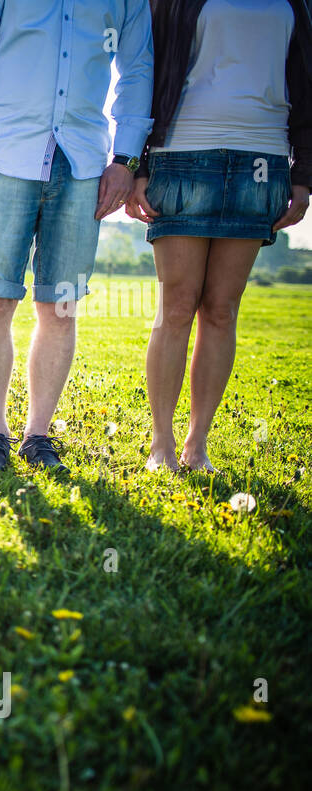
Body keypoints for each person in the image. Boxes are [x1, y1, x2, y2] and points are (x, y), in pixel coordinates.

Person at [0, 0, 154, 473]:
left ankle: (38, 437)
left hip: (84, 163)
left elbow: (137, 69)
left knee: (61, 307)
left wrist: (126, 159)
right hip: (3, 157)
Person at [125, 0, 311, 472]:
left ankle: (197, 445)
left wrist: (304, 176)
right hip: (183, 153)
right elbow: (148, 68)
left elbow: (308, 87)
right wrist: (139, 165)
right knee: (177, 306)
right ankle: (161, 444)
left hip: (262, 163)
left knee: (223, 309)